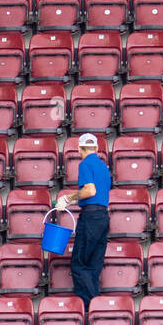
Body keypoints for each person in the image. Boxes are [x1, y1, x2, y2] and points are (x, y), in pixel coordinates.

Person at [57, 132, 111, 313]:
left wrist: (68, 198)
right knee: (94, 264)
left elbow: (90, 190)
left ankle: (89, 308)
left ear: (80, 149)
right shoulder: (103, 167)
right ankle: (96, 307)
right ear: (96, 148)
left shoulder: (85, 164)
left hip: (90, 217)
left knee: (80, 264)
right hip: (103, 217)